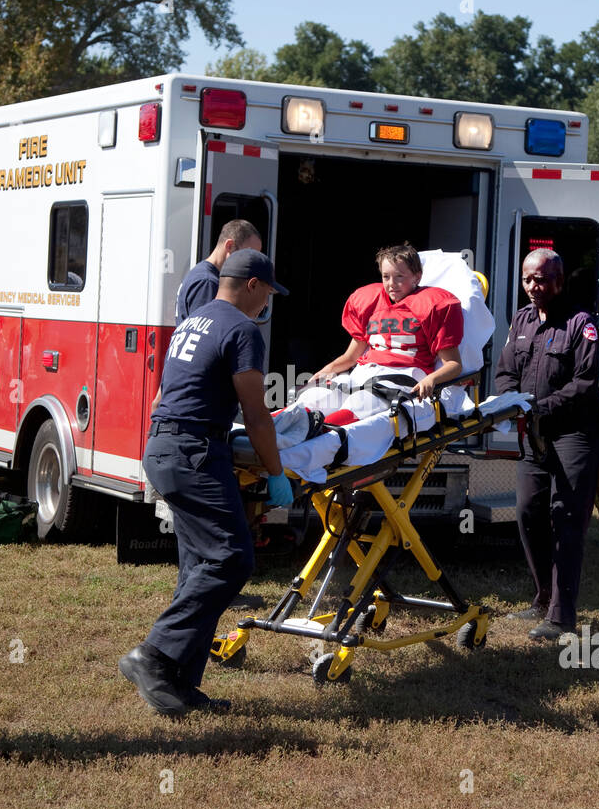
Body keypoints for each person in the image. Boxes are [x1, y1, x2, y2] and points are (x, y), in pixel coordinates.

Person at [121, 249, 292, 717]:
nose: (267, 305)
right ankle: (153, 655)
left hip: (165, 445)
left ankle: (177, 684)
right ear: (253, 286)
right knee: (232, 558)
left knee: (198, 566)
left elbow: (162, 393)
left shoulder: (194, 320)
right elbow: (256, 414)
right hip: (195, 452)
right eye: (268, 294)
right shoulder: (242, 330)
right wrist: (276, 473)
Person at [494, 249, 599, 640]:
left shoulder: (580, 323)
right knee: (527, 512)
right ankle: (542, 598)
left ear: (559, 280)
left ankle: (561, 616)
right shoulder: (522, 319)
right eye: (528, 279)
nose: (534, 287)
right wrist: (510, 400)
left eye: (542, 280)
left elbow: (585, 382)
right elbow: (506, 369)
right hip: (534, 434)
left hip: (574, 433)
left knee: (567, 519)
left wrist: (539, 406)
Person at [302, 244, 463, 419]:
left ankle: (318, 438)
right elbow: (351, 357)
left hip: (402, 375)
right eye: (386, 277)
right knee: (316, 398)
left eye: (399, 277)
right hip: (362, 373)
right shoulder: (370, 301)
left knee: (361, 403)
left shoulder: (433, 304)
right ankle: (277, 433)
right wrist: (329, 369)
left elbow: (453, 364)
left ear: (417, 277)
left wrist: (431, 379)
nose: (391, 284)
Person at [174, 219, 263, 325]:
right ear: (229, 246)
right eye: (248, 254)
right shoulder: (207, 283)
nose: (252, 262)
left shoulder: (200, 273)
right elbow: (206, 335)